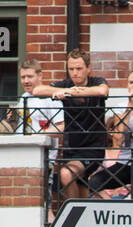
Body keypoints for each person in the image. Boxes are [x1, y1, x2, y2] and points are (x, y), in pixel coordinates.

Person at [34, 49, 109, 203]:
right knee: (81, 187)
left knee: (66, 174)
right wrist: (65, 91)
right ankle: (84, 219)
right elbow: (37, 90)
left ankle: (74, 215)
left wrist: (74, 93)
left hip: (93, 147)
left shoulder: (96, 81)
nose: (75, 73)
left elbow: (103, 91)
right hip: (71, 148)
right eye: (71, 69)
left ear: (88, 69)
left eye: (79, 69)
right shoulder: (66, 85)